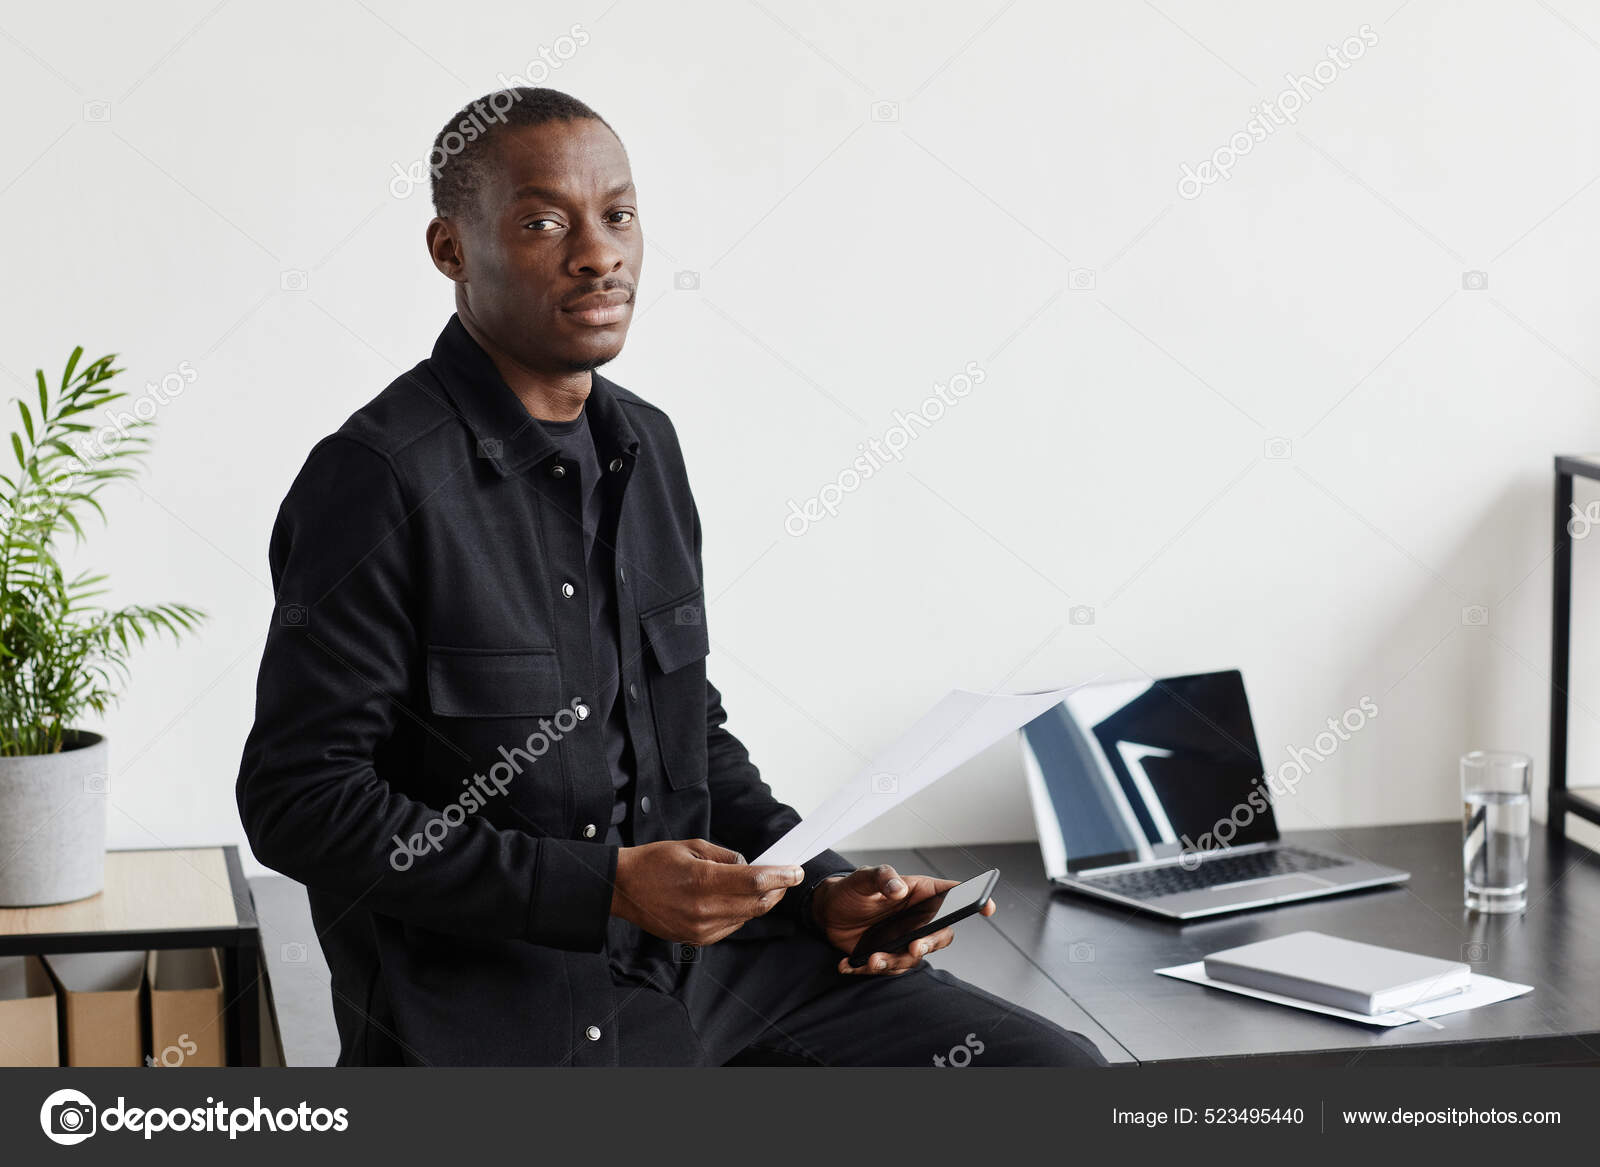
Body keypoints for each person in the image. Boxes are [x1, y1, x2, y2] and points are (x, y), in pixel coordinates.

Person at [237, 86, 1104, 1068]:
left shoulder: (644, 444)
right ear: (450, 250)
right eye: (541, 222)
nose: (597, 251)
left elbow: (685, 730)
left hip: (711, 972)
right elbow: (299, 801)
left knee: (1050, 1073)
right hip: (504, 1016)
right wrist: (598, 884)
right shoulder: (379, 477)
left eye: (617, 215)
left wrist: (815, 889)